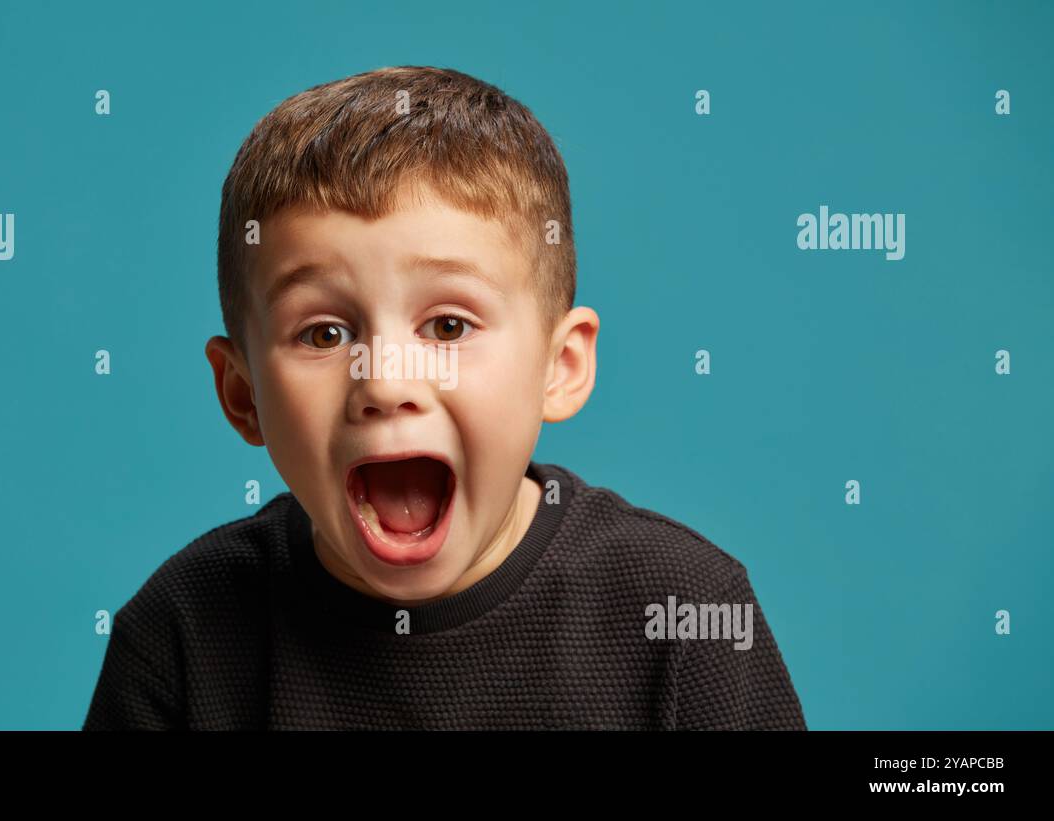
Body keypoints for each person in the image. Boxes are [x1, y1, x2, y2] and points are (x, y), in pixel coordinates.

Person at [83, 65, 806, 730]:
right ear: (241, 395)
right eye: (325, 333)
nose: (386, 381)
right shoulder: (180, 635)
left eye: (449, 324)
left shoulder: (685, 610)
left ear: (560, 364)